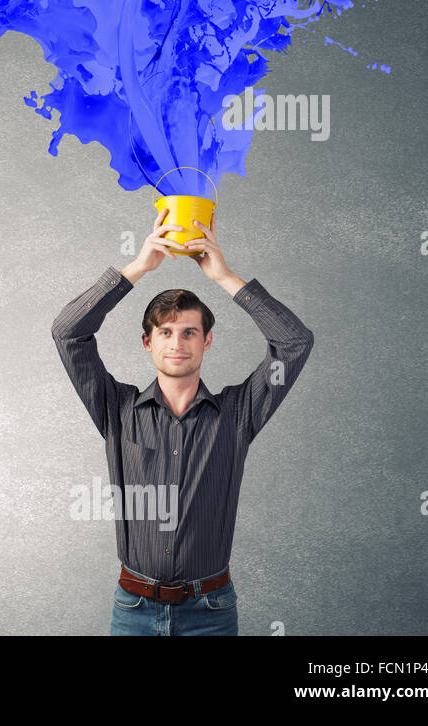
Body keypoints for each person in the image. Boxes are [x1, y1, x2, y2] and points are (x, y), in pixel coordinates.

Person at [51, 208, 315, 635]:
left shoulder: (238, 413)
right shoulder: (115, 409)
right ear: (147, 342)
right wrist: (138, 268)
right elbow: (67, 333)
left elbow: (294, 342)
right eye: (166, 332)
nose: (178, 343)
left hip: (209, 613)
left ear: (207, 341)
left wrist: (224, 277)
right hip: (133, 608)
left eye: (189, 332)